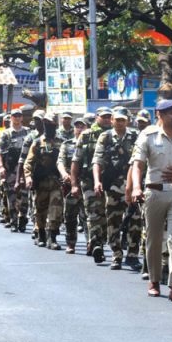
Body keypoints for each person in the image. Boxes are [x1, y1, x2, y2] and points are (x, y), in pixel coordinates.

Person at [131, 99, 172, 302]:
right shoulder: (148, 136)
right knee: (154, 239)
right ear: (159, 115)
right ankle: (154, 280)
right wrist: (135, 187)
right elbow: (138, 165)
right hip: (155, 192)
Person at [93, 107, 140, 270]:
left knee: (135, 220)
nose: (119, 123)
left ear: (127, 121)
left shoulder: (135, 136)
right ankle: (116, 254)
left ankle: (133, 255)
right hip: (112, 185)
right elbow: (97, 160)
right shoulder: (105, 137)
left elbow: (140, 161)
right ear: (112, 120)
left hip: (132, 185)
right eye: (117, 120)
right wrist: (97, 181)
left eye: (122, 120)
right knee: (113, 220)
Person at [70, 108, 110, 263]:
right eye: (104, 117)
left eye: (109, 117)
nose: (107, 119)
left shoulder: (114, 135)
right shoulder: (86, 135)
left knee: (107, 215)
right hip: (88, 181)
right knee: (93, 214)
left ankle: (101, 240)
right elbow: (76, 161)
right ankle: (95, 244)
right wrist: (74, 184)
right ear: (97, 117)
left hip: (110, 181)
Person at [25, 112, 65, 250]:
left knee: (56, 209)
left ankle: (52, 237)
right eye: (46, 123)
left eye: (51, 124)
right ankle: (41, 234)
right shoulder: (37, 142)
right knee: (40, 210)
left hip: (56, 182)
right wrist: (28, 177)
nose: (48, 126)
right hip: (40, 182)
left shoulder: (62, 142)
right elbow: (28, 162)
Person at [57, 117, 87, 254]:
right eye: (77, 126)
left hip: (87, 184)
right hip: (70, 184)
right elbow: (60, 161)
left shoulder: (91, 144)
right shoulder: (67, 144)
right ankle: (71, 243)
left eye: (82, 126)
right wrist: (64, 173)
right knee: (70, 215)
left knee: (88, 216)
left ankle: (91, 243)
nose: (80, 129)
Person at [0, 109, 30, 231]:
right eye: (14, 116)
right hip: (10, 169)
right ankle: (13, 221)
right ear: (11, 118)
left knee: (25, 195)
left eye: (19, 116)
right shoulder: (6, 134)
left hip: (24, 168)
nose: (17, 118)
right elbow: (0, 152)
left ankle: (23, 219)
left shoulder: (28, 132)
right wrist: (0, 167)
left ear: (22, 118)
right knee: (11, 196)